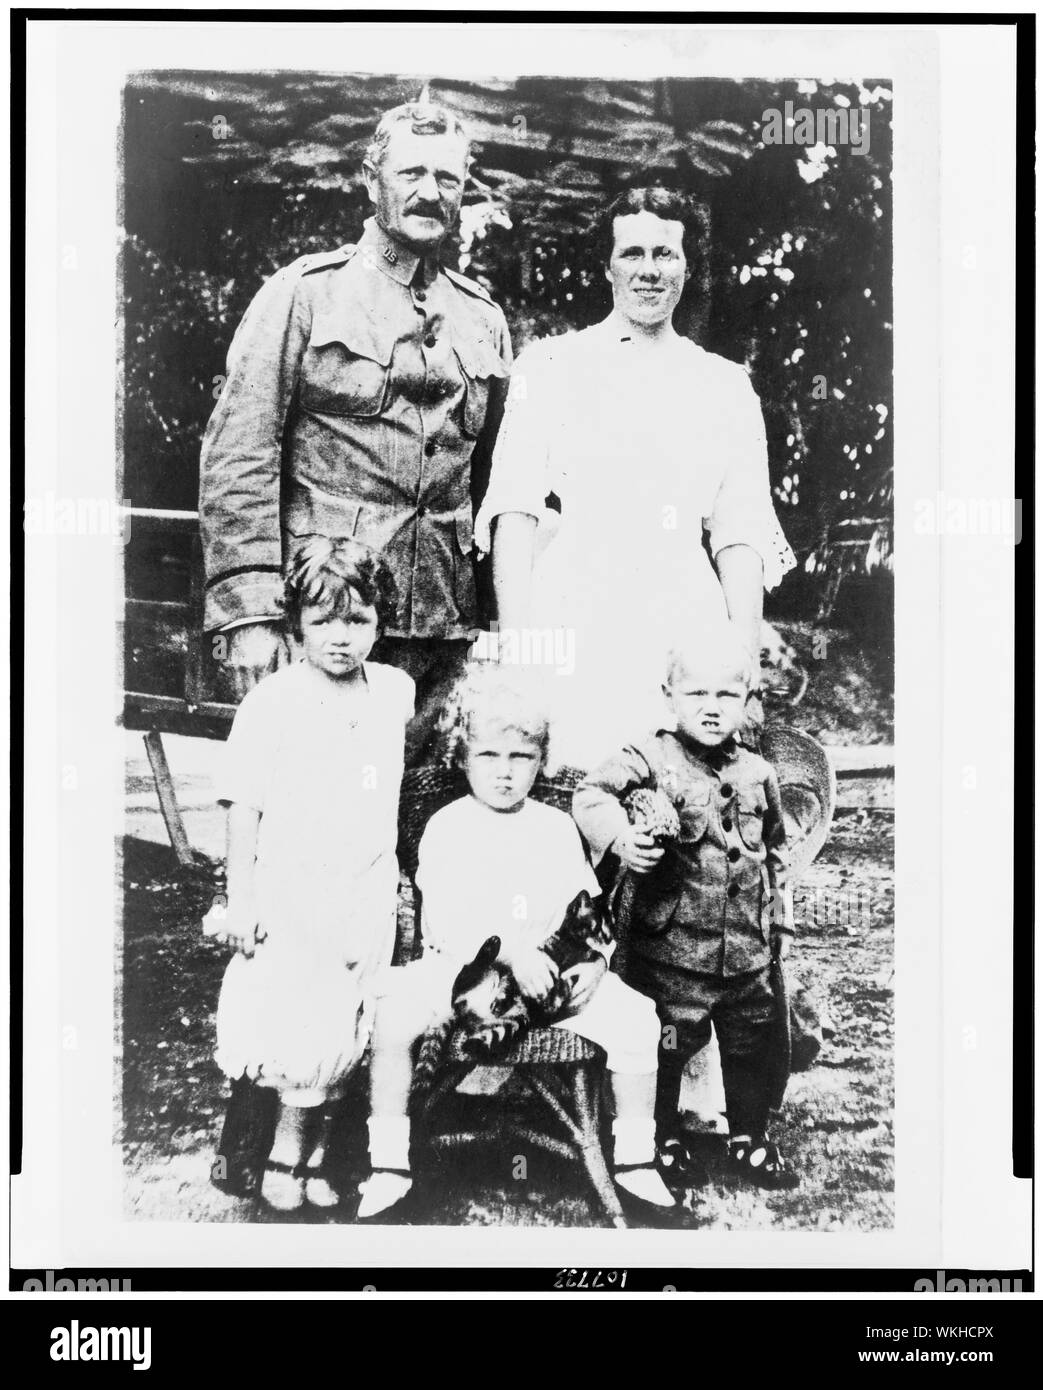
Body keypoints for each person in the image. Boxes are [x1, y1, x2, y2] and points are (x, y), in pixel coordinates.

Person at [199, 101, 512, 762]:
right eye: (411, 173)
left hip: (440, 631)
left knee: (418, 825)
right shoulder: (305, 294)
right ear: (372, 181)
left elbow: (495, 487)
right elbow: (238, 453)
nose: (430, 192)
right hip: (325, 620)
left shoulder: (482, 318)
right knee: (311, 823)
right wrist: (251, 614)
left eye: (448, 179)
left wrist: (499, 627)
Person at [476, 186, 795, 769]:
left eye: (665, 254)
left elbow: (739, 534)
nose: (649, 271)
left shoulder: (724, 387)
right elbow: (514, 513)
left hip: (682, 611)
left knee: (674, 795)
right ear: (607, 267)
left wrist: (741, 664)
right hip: (575, 602)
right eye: (632, 254)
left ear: (687, 267)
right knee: (573, 781)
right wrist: (518, 648)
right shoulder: (549, 367)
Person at [357, 664, 682, 1225]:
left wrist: (593, 963)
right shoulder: (448, 825)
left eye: (521, 758)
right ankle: (389, 1166)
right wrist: (511, 953)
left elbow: (586, 908)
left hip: (549, 978)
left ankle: (635, 1163)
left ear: (541, 760)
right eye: (489, 756)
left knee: (638, 1017)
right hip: (464, 972)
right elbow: (453, 921)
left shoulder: (554, 827)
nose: (505, 773)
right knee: (392, 1013)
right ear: (463, 757)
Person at [204, 537, 413, 1211]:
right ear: (297, 623)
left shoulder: (395, 692)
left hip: (366, 889)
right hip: (296, 891)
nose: (341, 638)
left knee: (353, 1023)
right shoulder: (274, 701)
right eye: (323, 621)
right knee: (305, 1025)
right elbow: (245, 806)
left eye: (357, 620)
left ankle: (322, 1155)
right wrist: (242, 901)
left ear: (380, 621)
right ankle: (281, 1154)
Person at [572, 619, 800, 1190]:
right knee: (670, 1040)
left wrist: (782, 919)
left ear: (749, 702)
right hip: (672, 949)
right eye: (696, 692)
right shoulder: (650, 756)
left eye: (728, 694)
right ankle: (662, 1137)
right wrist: (622, 838)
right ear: (668, 694)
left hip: (746, 950)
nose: (712, 706)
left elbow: (776, 850)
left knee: (751, 1040)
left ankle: (748, 1136)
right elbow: (590, 795)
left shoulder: (759, 771)